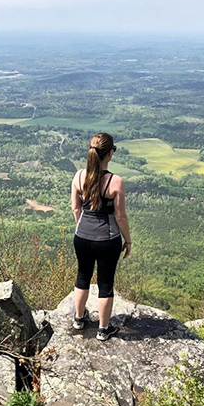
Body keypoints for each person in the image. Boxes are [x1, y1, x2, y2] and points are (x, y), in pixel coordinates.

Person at [70, 132, 132, 341]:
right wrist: (128, 240)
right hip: (107, 239)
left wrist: (83, 226)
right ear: (109, 154)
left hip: (82, 236)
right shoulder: (115, 182)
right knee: (105, 284)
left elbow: (75, 208)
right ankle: (103, 329)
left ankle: (79, 319)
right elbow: (120, 216)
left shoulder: (79, 176)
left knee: (82, 276)